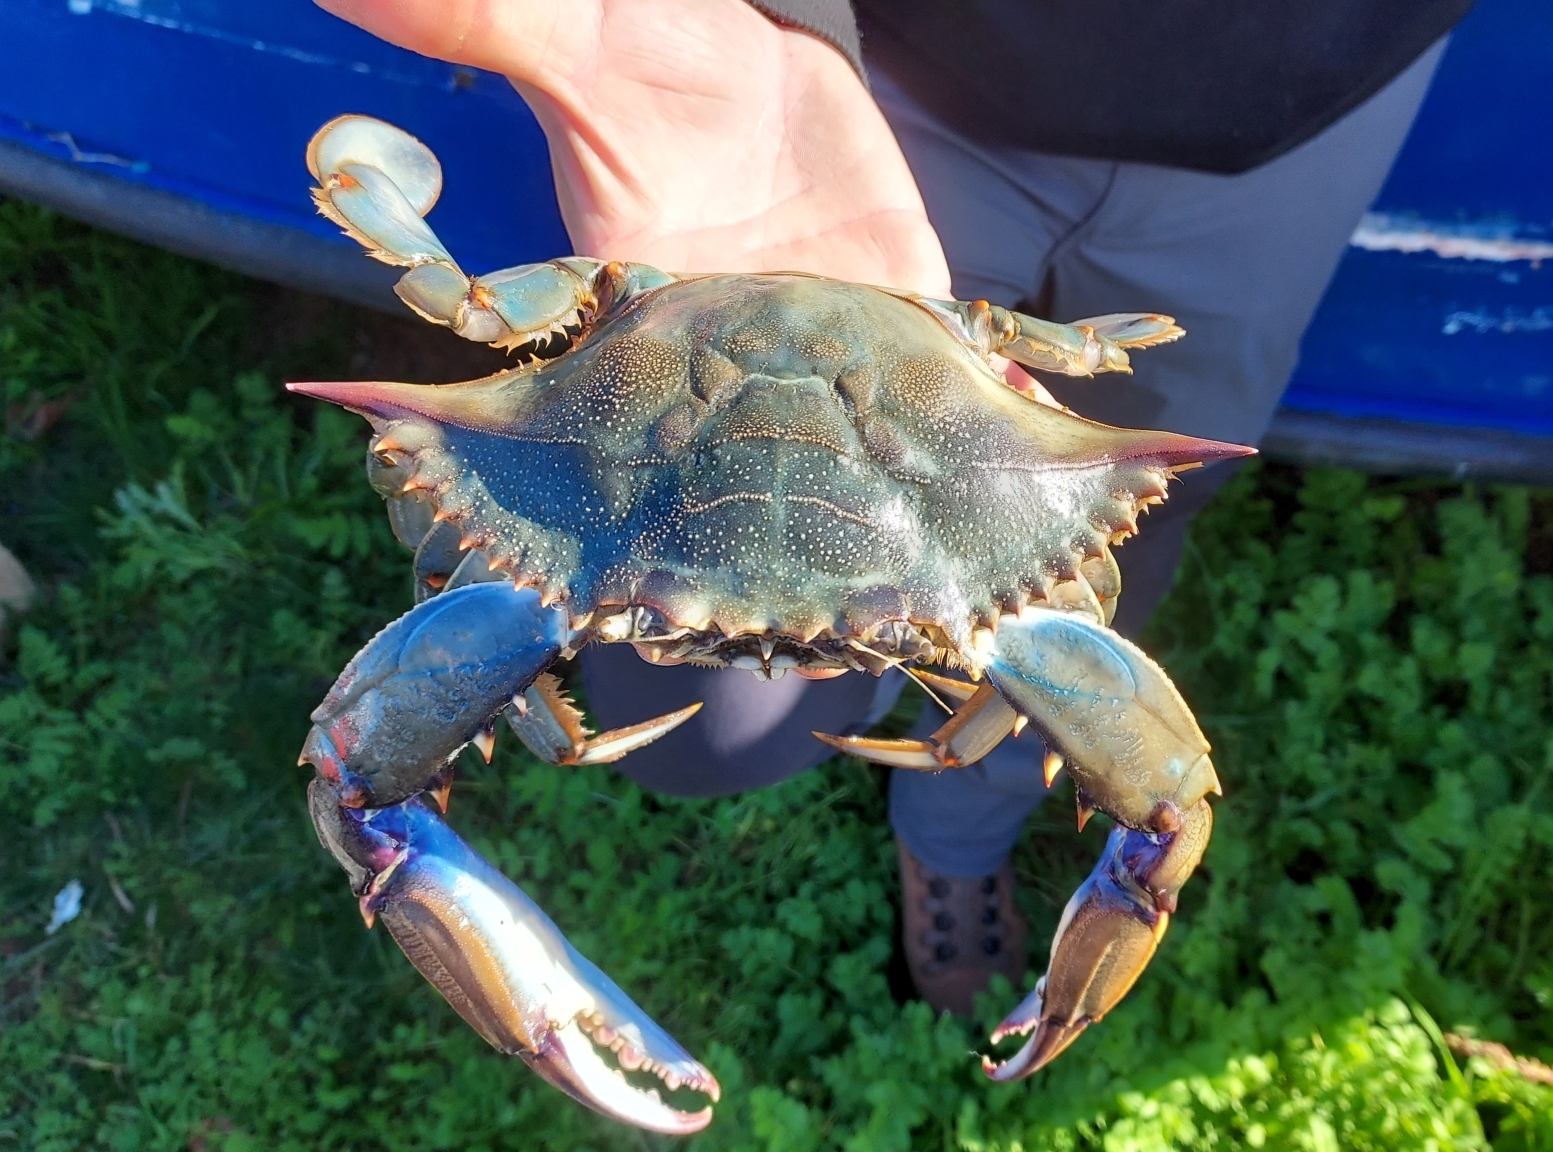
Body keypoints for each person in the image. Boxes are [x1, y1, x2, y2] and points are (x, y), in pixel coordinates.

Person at [318, 0, 1470, 1013]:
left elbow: (1155, 783)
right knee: (708, 737)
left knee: (1137, 562)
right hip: (886, 77)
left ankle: (956, 839)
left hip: (1301, 91)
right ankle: (882, 708)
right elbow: (423, 576)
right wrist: (770, 17)